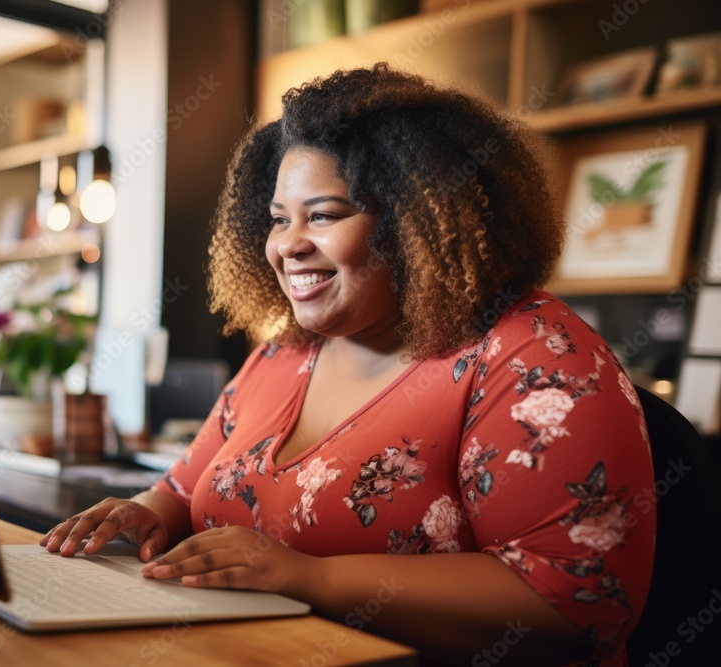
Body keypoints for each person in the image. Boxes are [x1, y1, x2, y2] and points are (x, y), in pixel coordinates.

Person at [40, 64, 655, 666]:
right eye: (279, 219)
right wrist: (143, 511)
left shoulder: (533, 355)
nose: (287, 245)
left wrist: (313, 579)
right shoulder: (284, 354)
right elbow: (184, 486)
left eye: (325, 215)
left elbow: (578, 600)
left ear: (419, 221)